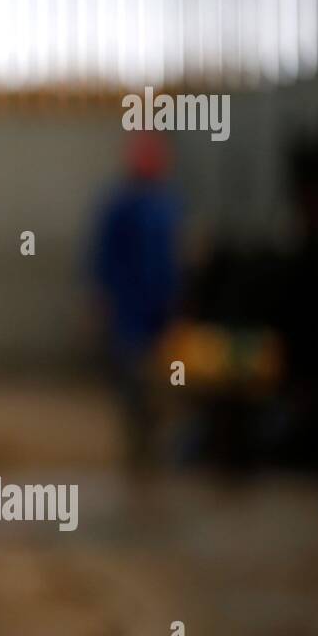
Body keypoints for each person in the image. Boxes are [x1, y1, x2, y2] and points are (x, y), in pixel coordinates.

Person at [89, 134, 183, 465]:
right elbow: (103, 259)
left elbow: (171, 262)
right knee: (134, 379)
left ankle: (151, 439)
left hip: (158, 310)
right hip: (131, 310)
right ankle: (140, 441)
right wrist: (103, 301)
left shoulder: (166, 206)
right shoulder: (122, 207)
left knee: (154, 380)